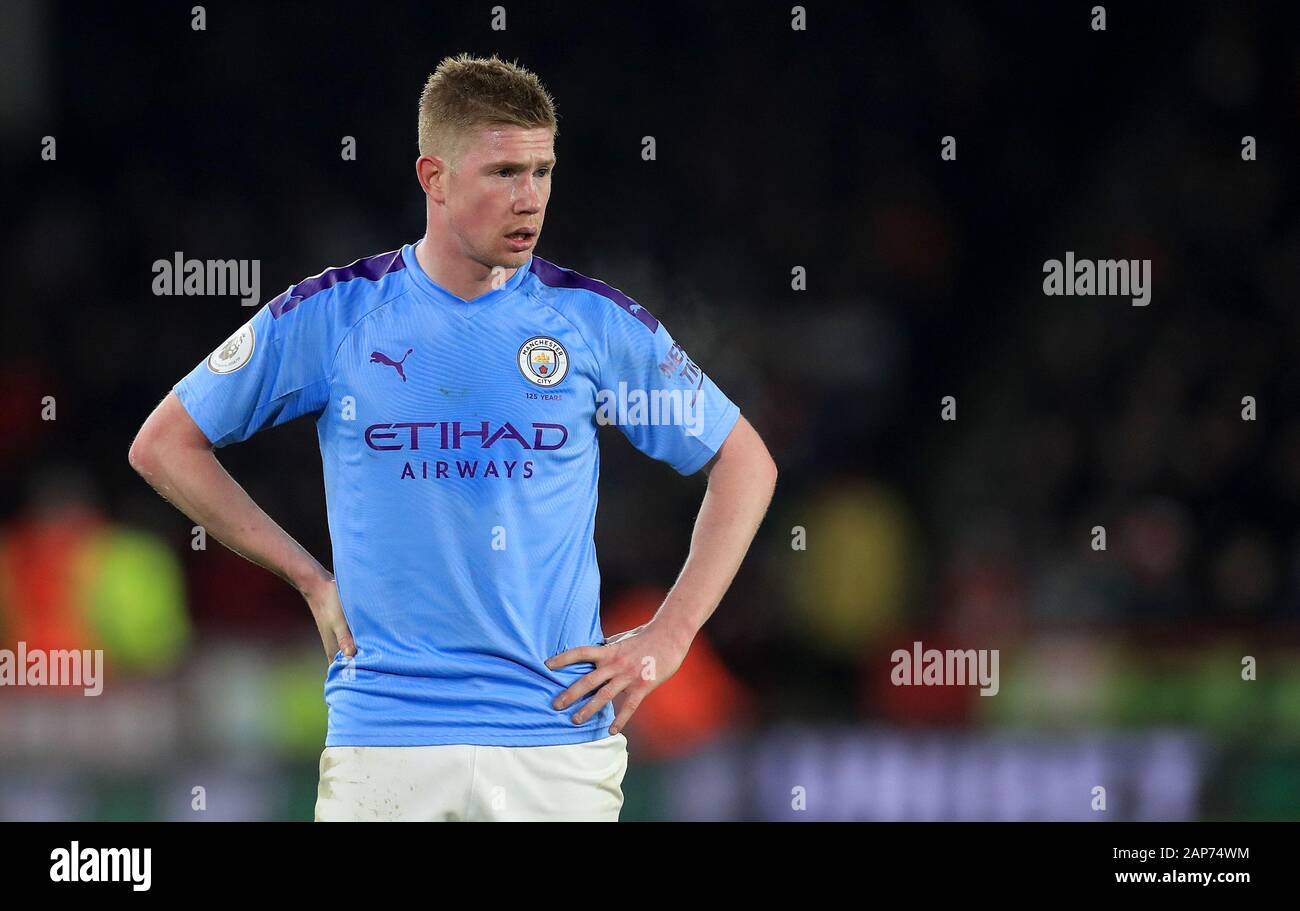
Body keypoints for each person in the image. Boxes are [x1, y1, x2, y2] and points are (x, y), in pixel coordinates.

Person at [128, 53, 777, 821]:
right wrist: (309, 576)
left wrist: (671, 633)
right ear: (433, 178)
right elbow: (164, 444)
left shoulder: (593, 322)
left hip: (555, 740)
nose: (529, 197)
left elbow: (745, 460)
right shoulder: (337, 314)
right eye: (503, 171)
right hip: (387, 742)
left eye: (542, 171)